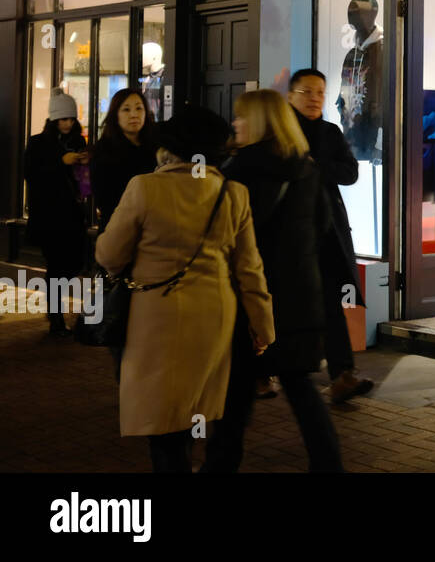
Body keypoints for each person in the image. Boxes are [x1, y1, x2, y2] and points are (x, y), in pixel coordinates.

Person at [95, 103, 275, 473]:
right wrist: (263, 326)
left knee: (166, 419)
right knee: (212, 409)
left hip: (154, 318)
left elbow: (109, 255)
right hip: (216, 317)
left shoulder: (144, 187)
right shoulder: (233, 193)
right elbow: (250, 270)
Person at [202, 89, 344, 472]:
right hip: (300, 294)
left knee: (235, 391)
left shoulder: (238, 171)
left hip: (252, 296)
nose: (235, 124)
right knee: (300, 387)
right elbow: (321, 228)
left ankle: (220, 464)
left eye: (241, 117)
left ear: (259, 121)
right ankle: (329, 464)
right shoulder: (307, 168)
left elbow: (224, 236)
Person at [286, 68, 374, 401]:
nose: (314, 99)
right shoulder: (280, 132)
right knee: (285, 302)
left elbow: (350, 172)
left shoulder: (329, 132)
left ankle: (342, 374)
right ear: (291, 95)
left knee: (332, 304)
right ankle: (266, 372)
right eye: (306, 92)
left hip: (326, 231)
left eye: (320, 92)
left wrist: (316, 167)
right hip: (289, 234)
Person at [23, 88, 90, 337]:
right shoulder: (38, 143)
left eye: (71, 119)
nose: (67, 123)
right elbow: (31, 174)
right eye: (63, 119)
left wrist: (83, 166)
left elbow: (82, 180)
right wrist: (61, 162)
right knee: (56, 265)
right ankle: (56, 316)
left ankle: (56, 314)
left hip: (72, 213)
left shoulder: (78, 141)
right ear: (53, 120)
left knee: (74, 262)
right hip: (49, 214)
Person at [91, 89, 159, 230]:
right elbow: (103, 200)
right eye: (126, 110)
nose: (134, 114)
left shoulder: (157, 146)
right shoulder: (104, 151)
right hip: (118, 228)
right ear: (115, 115)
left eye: (139, 108)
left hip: (153, 229)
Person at [338, 0, 384, 162]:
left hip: (374, 134)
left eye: (358, 11)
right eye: (351, 12)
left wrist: (381, 143)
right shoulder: (352, 53)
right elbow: (344, 94)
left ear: (373, 14)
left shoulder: (384, 51)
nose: (352, 16)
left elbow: (389, 99)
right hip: (353, 135)